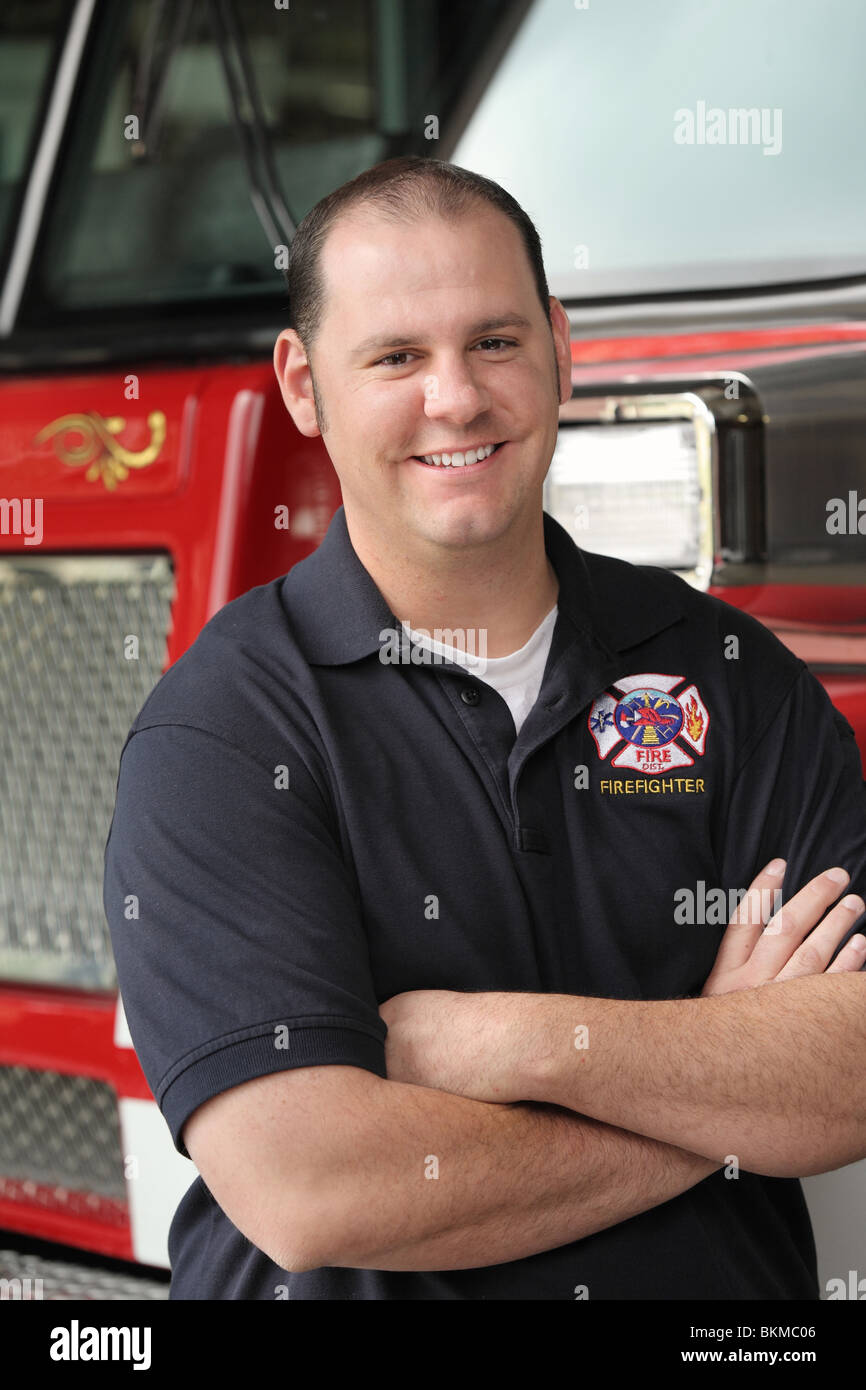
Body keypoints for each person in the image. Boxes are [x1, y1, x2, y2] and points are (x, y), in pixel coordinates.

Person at [103, 156, 866, 1300]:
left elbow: (849, 1070)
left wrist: (509, 1042)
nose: (454, 398)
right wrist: (711, 1084)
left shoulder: (730, 676)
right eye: (396, 356)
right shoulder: (217, 738)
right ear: (303, 386)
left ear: (560, 349)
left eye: (495, 342)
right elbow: (316, 1190)